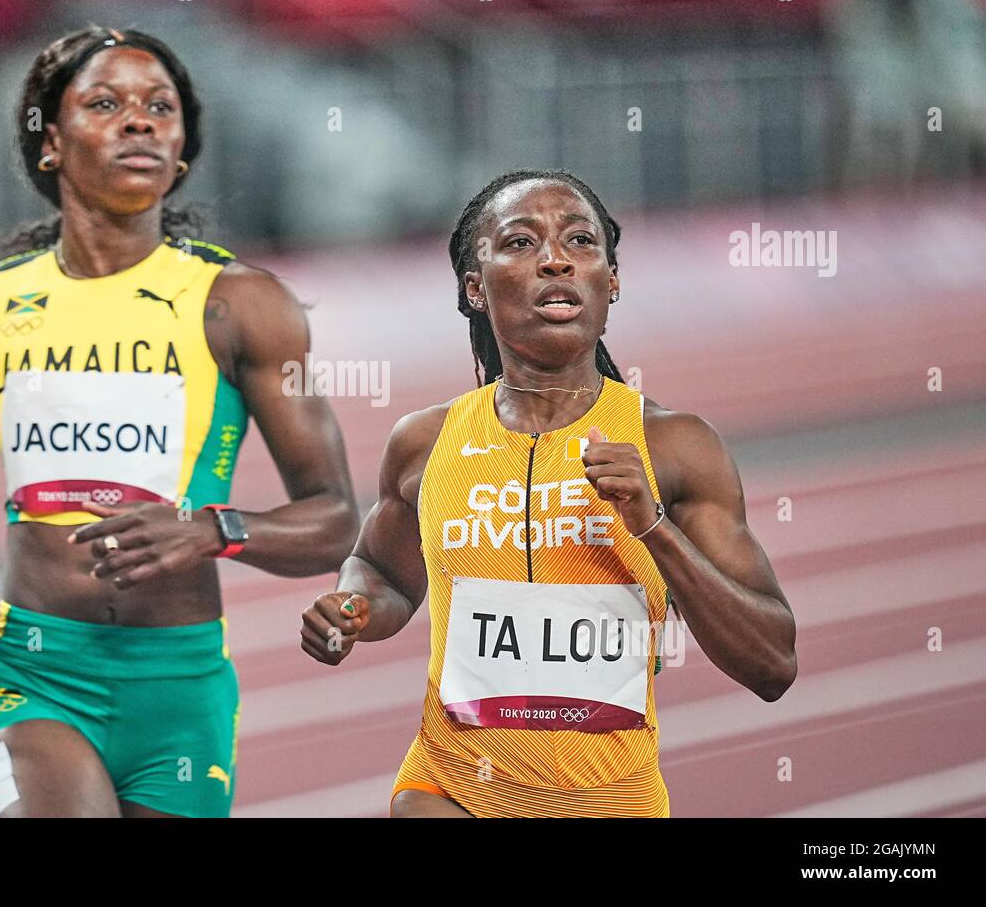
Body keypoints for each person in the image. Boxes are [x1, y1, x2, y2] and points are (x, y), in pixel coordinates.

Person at [0, 25, 359, 818]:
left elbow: (333, 518)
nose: (140, 121)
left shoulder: (242, 307)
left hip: (178, 688)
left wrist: (213, 529)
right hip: (35, 673)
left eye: (161, 107)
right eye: (106, 104)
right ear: (51, 141)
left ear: (182, 149)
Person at [301, 169, 797, 817]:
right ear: (475, 287)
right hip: (451, 787)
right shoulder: (425, 442)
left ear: (611, 281)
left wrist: (652, 527)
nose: (556, 259)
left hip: (611, 798)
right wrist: (353, 607)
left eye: (581, 241)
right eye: (521, 242)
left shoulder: (675, 446)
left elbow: (773, 665)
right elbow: (383, 571)